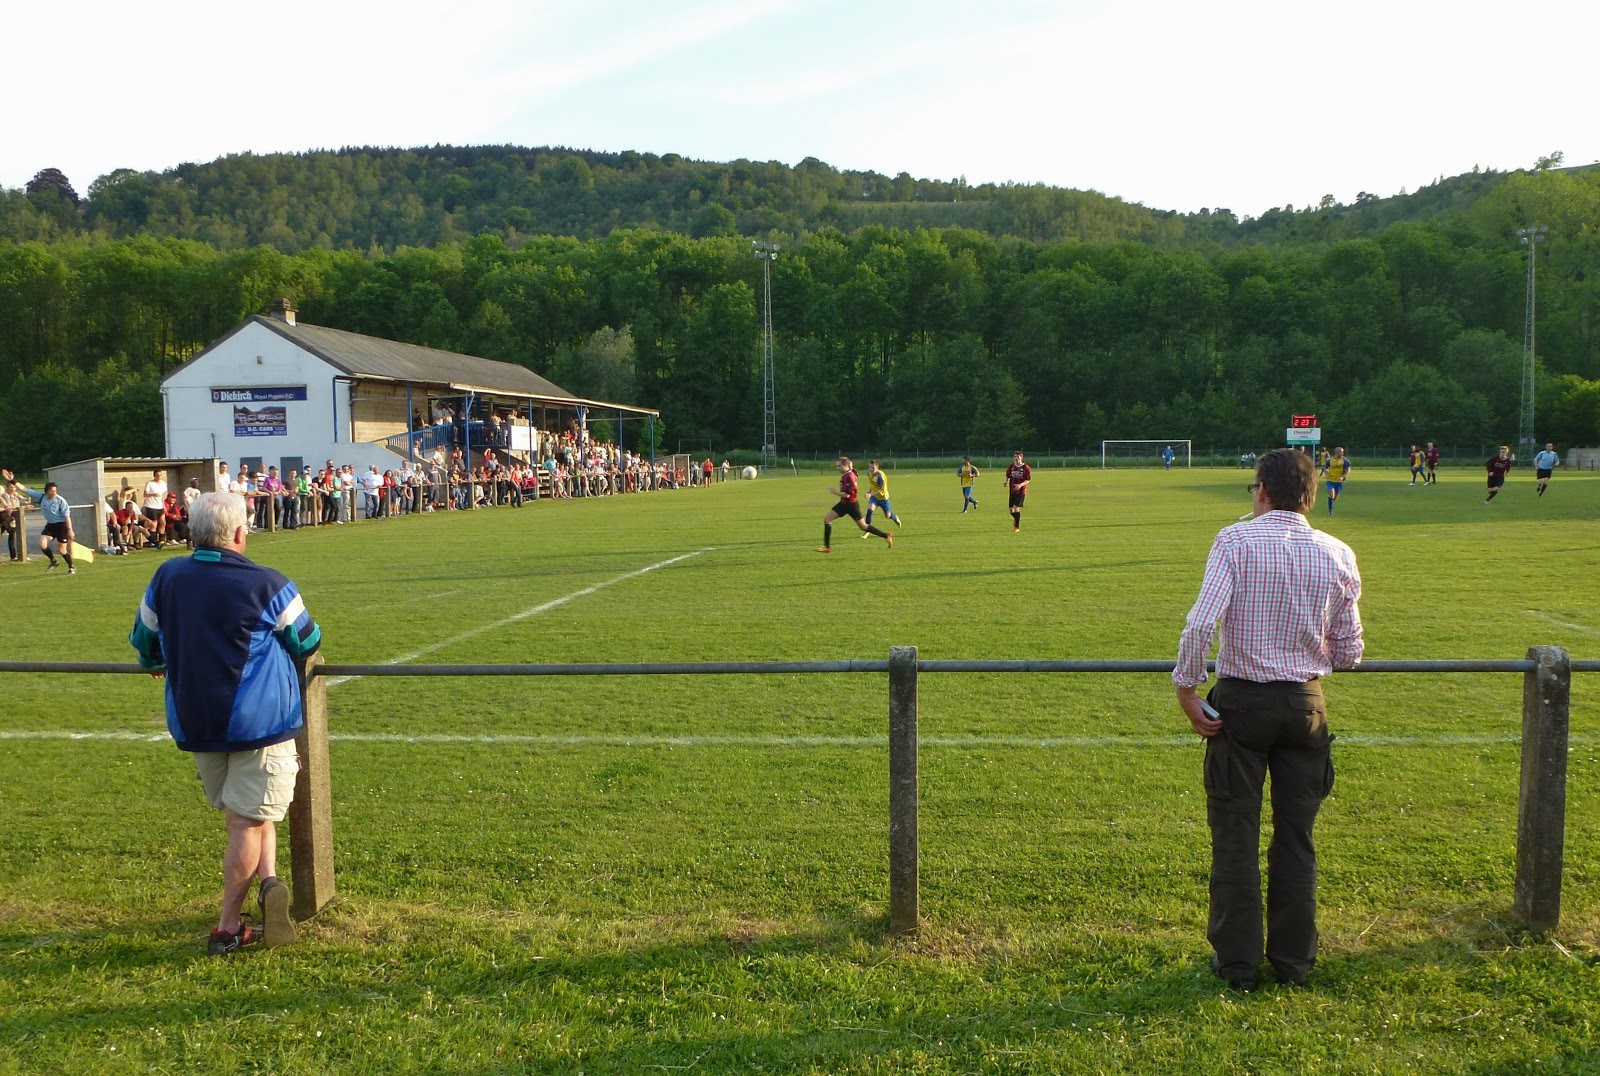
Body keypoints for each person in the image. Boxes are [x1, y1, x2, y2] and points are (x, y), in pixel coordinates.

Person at [1174, 447, 1364, 992]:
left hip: (1241, 707)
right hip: (1306, 707)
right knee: (1296, 838)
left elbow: (1200, 625)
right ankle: (1294, 964)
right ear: (1310, 495)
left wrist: (1187, 689)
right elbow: (1349, 652)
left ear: (1261, 490)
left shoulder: (1234, 541)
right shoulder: (1338, 552)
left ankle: (1238, 967)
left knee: (1235, 838)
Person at [128, 492, 322, 956]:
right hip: (259, 725)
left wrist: (157, 661)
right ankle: (228, 928)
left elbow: (144, 641)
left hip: (196, 722)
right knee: (245, 821)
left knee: (249, 815)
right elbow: (308, 639)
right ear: (239, 532)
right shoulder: (268, 583)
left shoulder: (166, 576)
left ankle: (270, 884)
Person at [816, 456, 892, 553]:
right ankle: (827, 547)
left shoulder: (849, 477)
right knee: (827, 520)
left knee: (863, 527)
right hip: (843, 504)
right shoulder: (849, 473)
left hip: (851, 505)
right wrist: (851, 467)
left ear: (845, 466)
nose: (837, 468)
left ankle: (886, 535)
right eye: (837, 466)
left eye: (839, 466)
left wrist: (835, 492)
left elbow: (847, 495)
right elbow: (855, 474)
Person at [36, 480, 76, 574]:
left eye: (55, 491)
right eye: (51, 491)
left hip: (62, 526)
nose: (54, 493)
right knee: (42, 543)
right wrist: (12, 480)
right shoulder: (42, 497)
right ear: (46, 491)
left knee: (62, 550)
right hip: (50, 525)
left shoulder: (61, 500)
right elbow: (24, 489)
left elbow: (67, 516)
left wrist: (70, 530)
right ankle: (53, 561)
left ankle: (71, 567)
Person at [862, 459, 903, 532]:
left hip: (883, 498)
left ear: (877, 467)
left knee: (887, 515)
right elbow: (872, 484)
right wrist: (869, 491)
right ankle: (867, 530)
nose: (871, 469)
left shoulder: (880, 476)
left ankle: (895, 518)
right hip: (874, 497)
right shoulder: (869, 473)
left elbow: (881, 490)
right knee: (869, 511)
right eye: (870, 467)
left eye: (873, 467)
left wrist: (870, 494)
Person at [1005, 451, 1031, 533]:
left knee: (1016, 508)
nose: (1016, 458)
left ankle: (1016, 527)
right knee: (1011, 510)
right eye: (1015, 456)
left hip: (1021, 492)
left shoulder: (1026, 468)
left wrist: (1020, 485)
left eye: (1018, 456)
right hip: (1012, 491)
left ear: (1021, 457)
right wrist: (1005, 481)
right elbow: (1007, 475)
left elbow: (1028, 480)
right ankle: (1016, 519)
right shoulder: (1012, 466)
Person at [0, 470, 23, 561]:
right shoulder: (5, 495)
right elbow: (6, 507)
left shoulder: (2, 497)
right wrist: (5, 508)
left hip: (5, 519)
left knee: (12, 533)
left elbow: (7, 506)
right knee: (11, 532)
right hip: (3, 519)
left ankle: (13, 556)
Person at [142, 468, 168, 549]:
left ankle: (161, 540)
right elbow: (145, 494)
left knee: (163, 522)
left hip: (160, 505)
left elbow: (163, 496)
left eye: (160, 475)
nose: (159, 477)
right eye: (157, 475)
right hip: (151, 506)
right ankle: (153, 541)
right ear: (154, 476)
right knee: (154, 523)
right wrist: (153, 494)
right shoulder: (150, 483)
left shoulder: (163, 483)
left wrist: (164, 506)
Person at [1323, 448, 1351, 515]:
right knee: (1332, 495)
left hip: (1339, 482)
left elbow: (1348, 470)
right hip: (1330, 481)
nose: (1343, 453)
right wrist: (1327, 474)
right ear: (1337, 452)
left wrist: (1342, 477)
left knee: (1335, 498)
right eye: (1341, 452)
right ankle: (1330, 511)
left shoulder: (1344, 460)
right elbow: (1325, 468)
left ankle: (1330, 503)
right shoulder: (1329, 460)